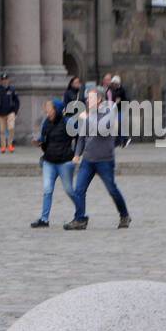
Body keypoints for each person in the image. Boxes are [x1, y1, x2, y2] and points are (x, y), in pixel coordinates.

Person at [65, 87, 130, 230]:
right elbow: (82, 137)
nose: (87, 100)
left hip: (105, 160)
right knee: (79, 190)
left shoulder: (108, 113)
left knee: (112, 190)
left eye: (90, 98)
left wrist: (87, 118)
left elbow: (102, 130)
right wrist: (77, 154)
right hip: (88, 160)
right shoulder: (87, 114)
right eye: (87, 98)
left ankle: (124, 215)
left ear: (99, 99)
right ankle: (80, 219)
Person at [30, 99, 75, 228]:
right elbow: (44, 139)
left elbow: (79, 137)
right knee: (47, 190)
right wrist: (39, 142)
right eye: (46, 108)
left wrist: (76, 154)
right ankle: (44, 220)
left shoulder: (68, 122)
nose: (46, 111)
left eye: (49, 108)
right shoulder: (46, 122)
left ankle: (81, 213)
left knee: (69, 190)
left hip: (64, 162)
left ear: (56, 109)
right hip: (49, 161)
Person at [0, 73, 20, 153]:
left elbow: (17, 101)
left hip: (10, 112)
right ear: (1, 81)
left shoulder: (12, 89)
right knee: (2, 131)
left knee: (11, 128)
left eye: (6, 79)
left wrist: (15, 111)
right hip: (0, 114)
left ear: (8, 80)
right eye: (3, 80)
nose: (4, 81)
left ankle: (10, 144)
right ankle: (3, 146)